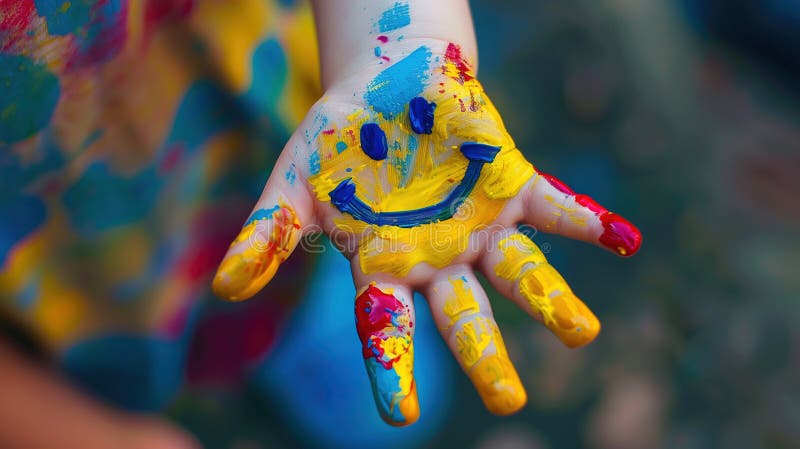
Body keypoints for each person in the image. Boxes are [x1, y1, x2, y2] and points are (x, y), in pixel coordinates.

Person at [0, 0, 641, 447]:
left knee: (313, 238)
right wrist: (96, 437)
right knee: (214, 296)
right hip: (74, 280)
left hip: (261, 113)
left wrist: (403, 38)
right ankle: (245, 343)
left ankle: (299, 319)